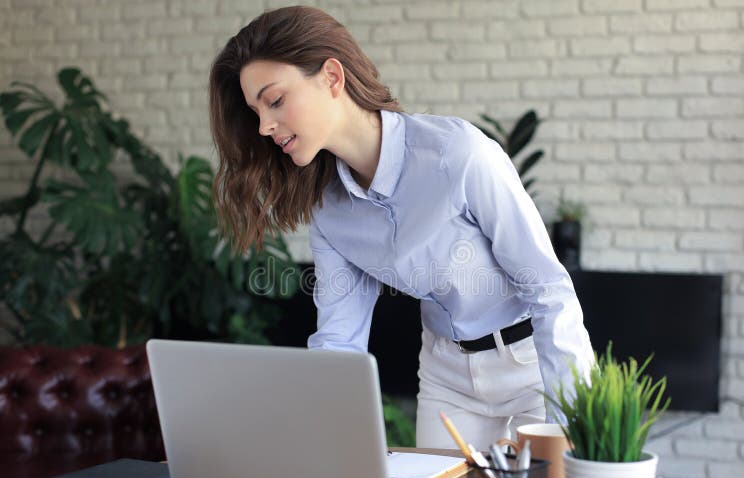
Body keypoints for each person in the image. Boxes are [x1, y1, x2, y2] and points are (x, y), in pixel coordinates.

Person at [209, 6, 595, 450]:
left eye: (275, 101)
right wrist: (314, 444)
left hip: (533, 367)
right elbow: (339, 341)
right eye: (255, 111)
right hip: (447, 377)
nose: (264, 126)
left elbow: (548, 289)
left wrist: (571, 420)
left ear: (332, 77)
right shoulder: (329, 210)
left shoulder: (457, 154)